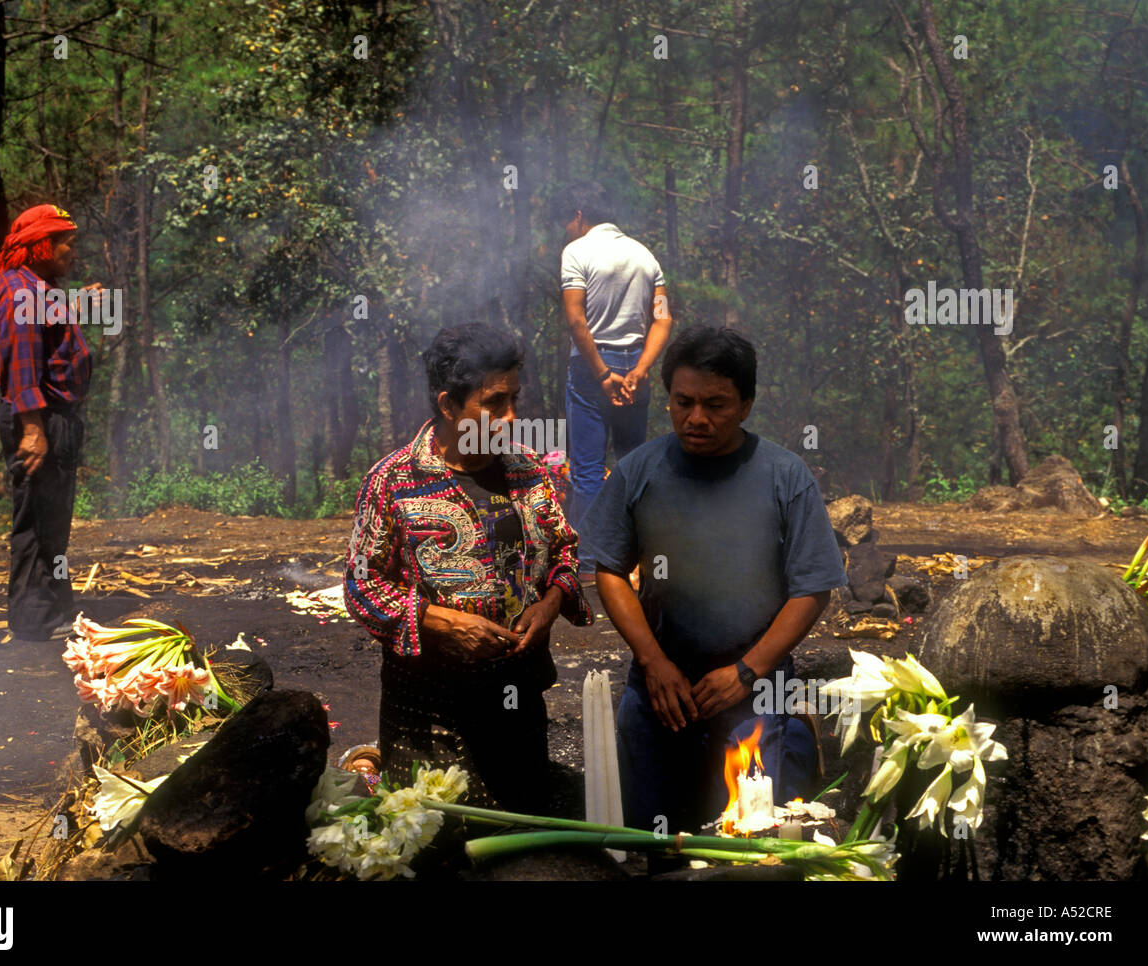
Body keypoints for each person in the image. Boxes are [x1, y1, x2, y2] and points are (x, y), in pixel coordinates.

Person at [581, 324, 847, 836]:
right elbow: (609, 569)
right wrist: (653, 661)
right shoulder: (640, 470)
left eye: (716, 404)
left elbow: (812, 588)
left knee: (750, 839)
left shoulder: (784, 476)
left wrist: (746, 671)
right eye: (683, 402)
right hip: (662, 689)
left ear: (746, 404)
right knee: (653, 838)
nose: (696, 418)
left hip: (753, 690)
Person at [343, 323, 593, 813]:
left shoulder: (529, 471)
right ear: (447, 404)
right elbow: (362, 586)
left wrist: (550, 603)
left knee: (521, 836)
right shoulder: (393, 482)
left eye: (515, 400)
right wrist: (444, 623)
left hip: (517, 698)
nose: (510, 417)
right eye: (494, 403)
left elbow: (563, 550)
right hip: (428, 713)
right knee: (434, 842)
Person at [0, 204, 98, 642]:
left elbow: (44, 328)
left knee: (52, 523)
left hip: (52, 421)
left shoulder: (33, 287)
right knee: (35, 523)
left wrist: (80, 303)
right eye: (67, 243)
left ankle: (54, 611)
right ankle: (34, 622)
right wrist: (33, 430)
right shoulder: (19, 293)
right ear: (41, 245)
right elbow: (21, 366)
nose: (73, 252)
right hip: (40, 421)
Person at [557, 181, 673, 583]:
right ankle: (632, 559)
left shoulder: (577, 251)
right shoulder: (644, 255)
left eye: (569, 221)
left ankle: (588, 566)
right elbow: (663, 319)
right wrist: (640, 371)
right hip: (635, 365)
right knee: (631, 462)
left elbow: (576, 320)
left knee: (588, 467)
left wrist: (602, 374)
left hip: (594, 367)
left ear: (579, 217)